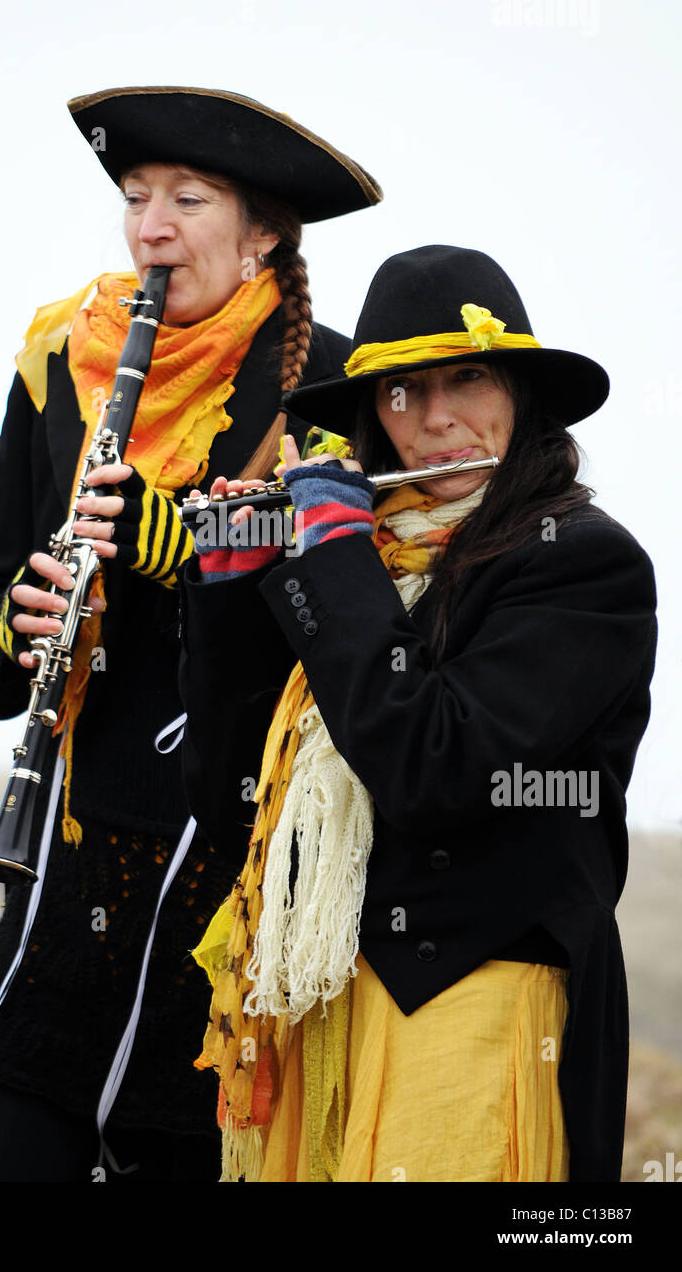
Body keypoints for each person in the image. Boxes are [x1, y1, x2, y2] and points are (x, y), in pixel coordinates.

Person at [0, 86, 381, 1182]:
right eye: (135, 198)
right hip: (66, 878)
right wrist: (19, 626)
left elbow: (339, 628)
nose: (150, 228)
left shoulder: (328, 381)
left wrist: (178, 542)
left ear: (263, 231)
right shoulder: (57, 361)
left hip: (222, 890)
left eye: (189, 198)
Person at [178, 244, 657, 1183]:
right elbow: (227, 801)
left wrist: (332, 564)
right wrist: (234, 596)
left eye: (468, 379)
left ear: (519, 395)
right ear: (371, 418)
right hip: (320, 1008)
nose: (437, 421)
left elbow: (436, 770)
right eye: (403, 392)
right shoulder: (347, 561)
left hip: (476, 1005)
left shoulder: (581, 564)